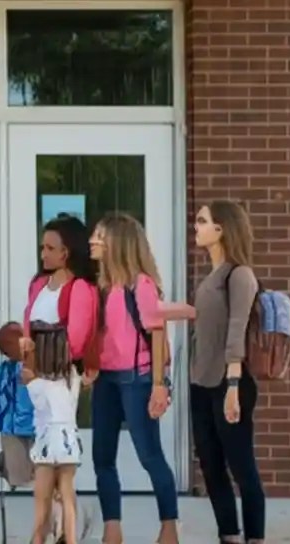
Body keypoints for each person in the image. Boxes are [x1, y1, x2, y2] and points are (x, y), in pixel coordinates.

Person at [87, 213, 179, 544]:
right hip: (107, 381)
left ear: (118, 242)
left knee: (149, 455)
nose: (92, 241)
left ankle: (169, 527)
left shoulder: (140, 285)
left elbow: (157, 336)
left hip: (137, 379)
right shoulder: (100, 287)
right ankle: (112, 528)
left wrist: (159, 384)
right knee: (102, 457)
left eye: (99, 235)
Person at [190, 200, 266, 543]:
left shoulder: (240, 275)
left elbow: (236, 331)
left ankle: (255, 537)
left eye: (202, 221)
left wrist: (233, 385)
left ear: (221, 230)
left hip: (229, 383)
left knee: (242, 468)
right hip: (202, 383)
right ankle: (229, 535)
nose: (197, 226)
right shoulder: (212, 276)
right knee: (211, 465)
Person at [21, 324, 82, 544]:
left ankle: (38, 540)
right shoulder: (72, 377)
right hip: (68, 441)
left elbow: (36, 403)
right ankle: (71, 539)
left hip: (47, 442)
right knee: (67, 495)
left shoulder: (35, 382)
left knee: (42, 501)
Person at [21, 216, 99, 364]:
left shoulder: (80, 288)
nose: (43, 255)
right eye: (42, 248)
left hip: (64, 375)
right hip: (34, 373)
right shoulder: (38, 284)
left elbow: (76, 344)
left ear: (66, 252)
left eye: (50, 248)